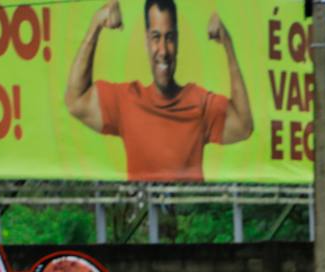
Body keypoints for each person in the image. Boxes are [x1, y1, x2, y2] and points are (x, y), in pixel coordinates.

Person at [64, 0, 254, 182]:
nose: (163, 50)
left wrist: (228, 44)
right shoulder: (127, 101)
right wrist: (97, 22)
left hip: (184, 213)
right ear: (146, 41)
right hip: (144, 213)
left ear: (178, 41)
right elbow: (75, 100)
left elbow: (244, 126)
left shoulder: (199, 102)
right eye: (156, 37)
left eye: (169, 38)